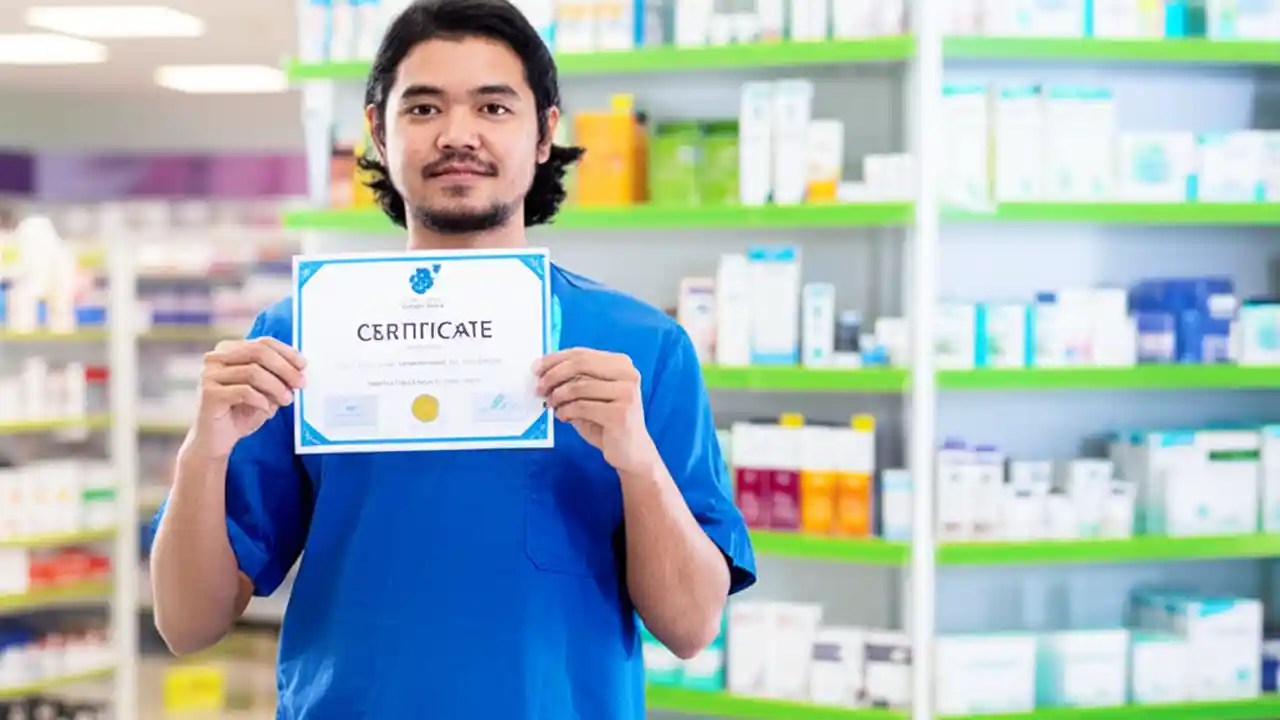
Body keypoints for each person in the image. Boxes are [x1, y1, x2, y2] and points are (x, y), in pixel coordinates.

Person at [147, 0, 757, 717]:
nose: (458, 134)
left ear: (543, 133)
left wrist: (636, 459)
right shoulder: (302, 339)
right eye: (424, 108)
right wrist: (204, 451)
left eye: (494, 108)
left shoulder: (640, 347)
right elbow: (187, 624)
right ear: (377, 131)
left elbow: (690, 628)